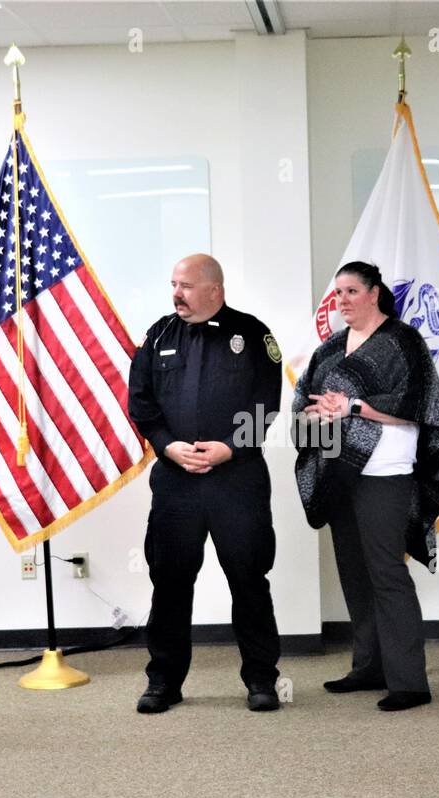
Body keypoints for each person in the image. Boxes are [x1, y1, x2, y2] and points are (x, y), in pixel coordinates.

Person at [127, 254, 284, 713]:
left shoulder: (253, 334)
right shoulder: (158, 336)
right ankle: (164, 682)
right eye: (173, 284)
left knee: (249, 580)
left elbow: (266, 403)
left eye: (186, 285)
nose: (176, 293)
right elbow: (141, 401)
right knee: (170, 583)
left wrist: (231, 447)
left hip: (237, 480)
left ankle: (261, 680)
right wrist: (167, 446)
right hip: (177, 482)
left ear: (214, 289)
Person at [292, 261, 439, 712]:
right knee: (354, 573)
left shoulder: (403, 343)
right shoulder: (329, 349)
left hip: (386, 472)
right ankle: (369, 666)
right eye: (337, 293)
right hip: (337, 472)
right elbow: (303, 401)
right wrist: (314, 415)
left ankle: (410, 681)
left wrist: (355, 407)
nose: (341, 300)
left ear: (374, 293)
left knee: (386, 572)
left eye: (351, 291)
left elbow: (420, 405)